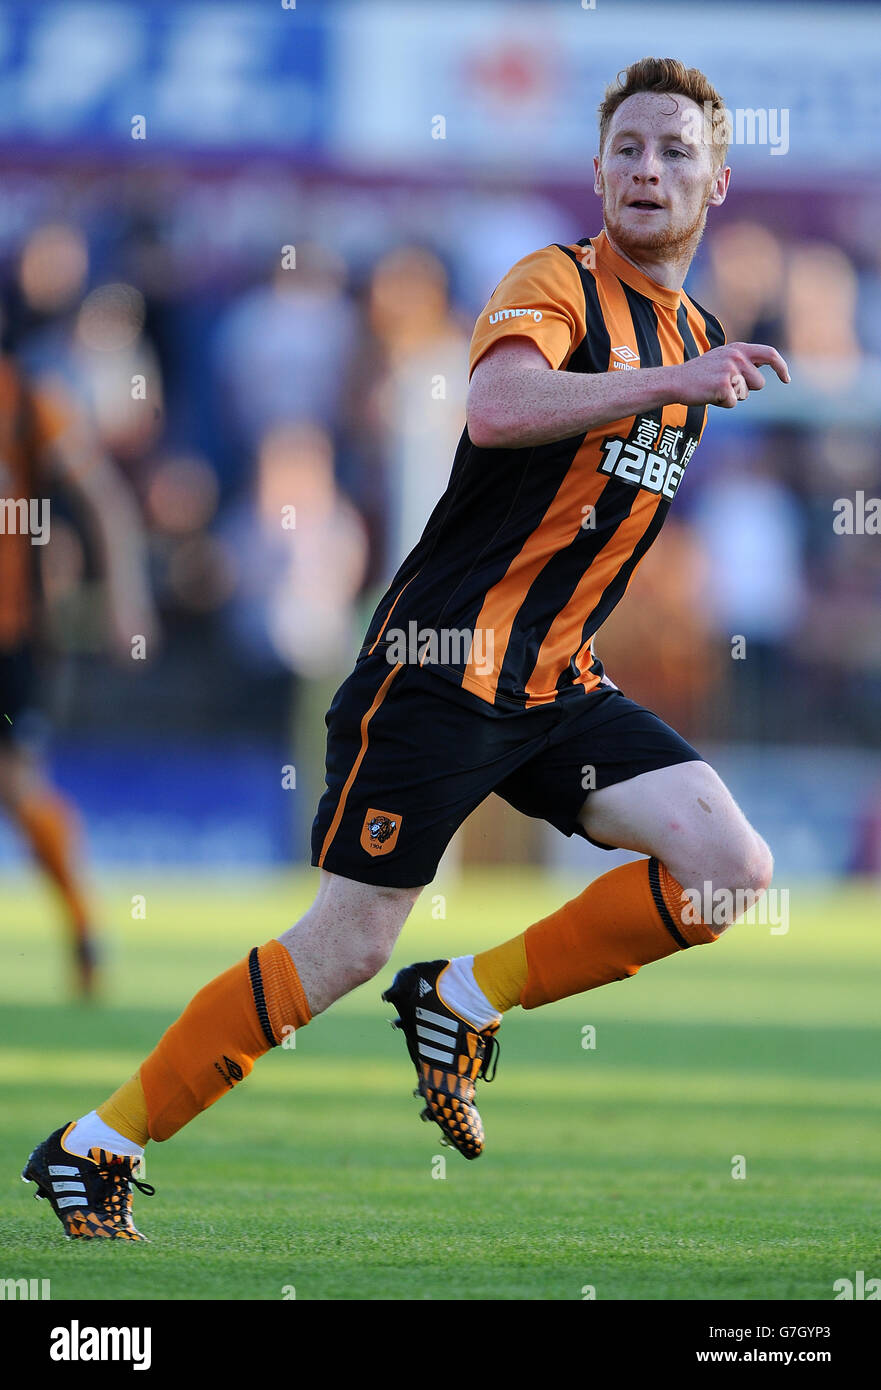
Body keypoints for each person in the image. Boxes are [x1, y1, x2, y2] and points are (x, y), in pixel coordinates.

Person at [22, 56, 789, 1240]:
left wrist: (678, 376)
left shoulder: (695, 335)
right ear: (595, 171)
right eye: (627, 148)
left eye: (674, 151)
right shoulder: (559, 283)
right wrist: (669, 380)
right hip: (435, 672)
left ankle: (464, 997)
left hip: (556, 689)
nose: (647, 168)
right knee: (342, 945)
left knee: (727, 869)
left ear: (716, 181)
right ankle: (94, 1144)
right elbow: (498, 409)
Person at [0, 351, 156, 998]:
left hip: (11, 636)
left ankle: (84, 926)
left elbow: (103, 499)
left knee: (16, 785)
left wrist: (125, 596)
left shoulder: (27, 397)